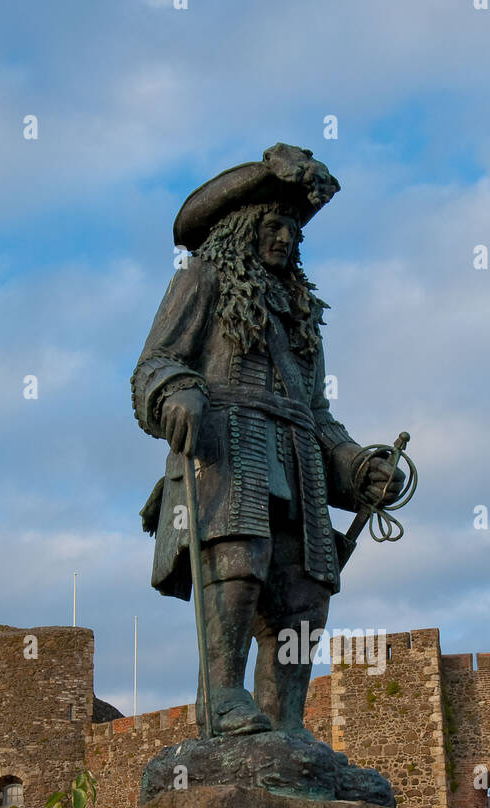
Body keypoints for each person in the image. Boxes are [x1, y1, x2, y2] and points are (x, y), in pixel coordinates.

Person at [133, 143, 402, 736]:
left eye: (292, 230)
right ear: (239, 230)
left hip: (298, 461)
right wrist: (178, 392)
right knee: (240, 563)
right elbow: (154, 363)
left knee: (304, 593)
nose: (284, 238)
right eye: (271, 225)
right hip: (229, 450)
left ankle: (286, 727)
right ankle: (222, 700)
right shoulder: (201, 279)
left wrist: (359, 467)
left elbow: (319, 416)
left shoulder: (300, 314)